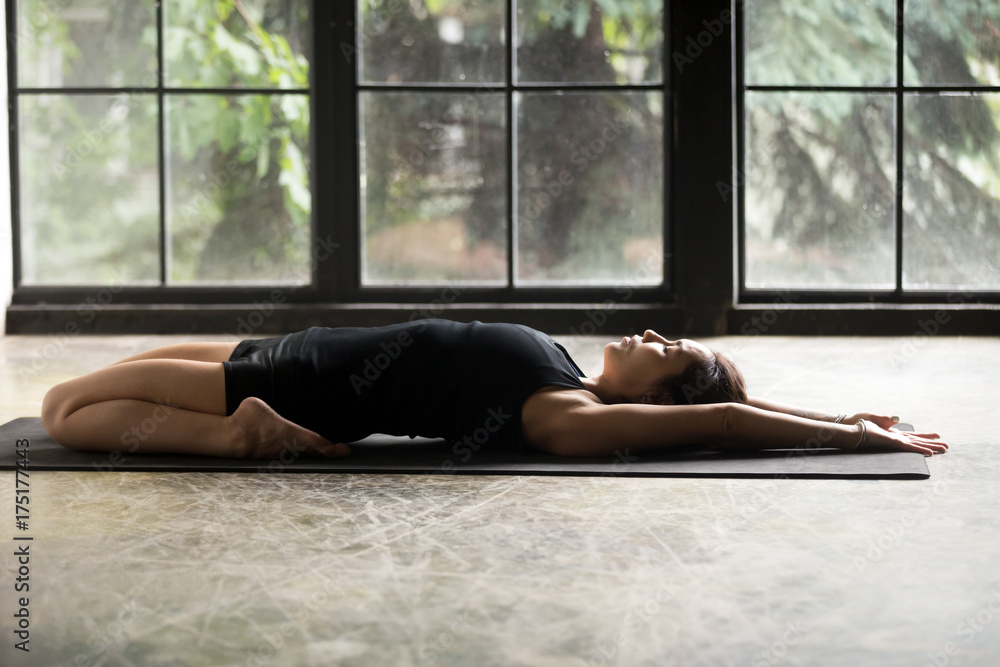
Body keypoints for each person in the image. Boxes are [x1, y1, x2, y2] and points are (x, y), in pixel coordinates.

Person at [40, 319, 948, 460]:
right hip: (297, 346)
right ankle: (243, 421)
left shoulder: (565, 415)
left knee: (61, 411)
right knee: (112, 377)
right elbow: (719, 400)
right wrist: (837, 409)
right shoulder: (564, 370)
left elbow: (723, 416)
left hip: (297, 384)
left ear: (658, 396)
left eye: (666, 348)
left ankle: (239, 436)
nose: (650, 333)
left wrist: (852, 438)